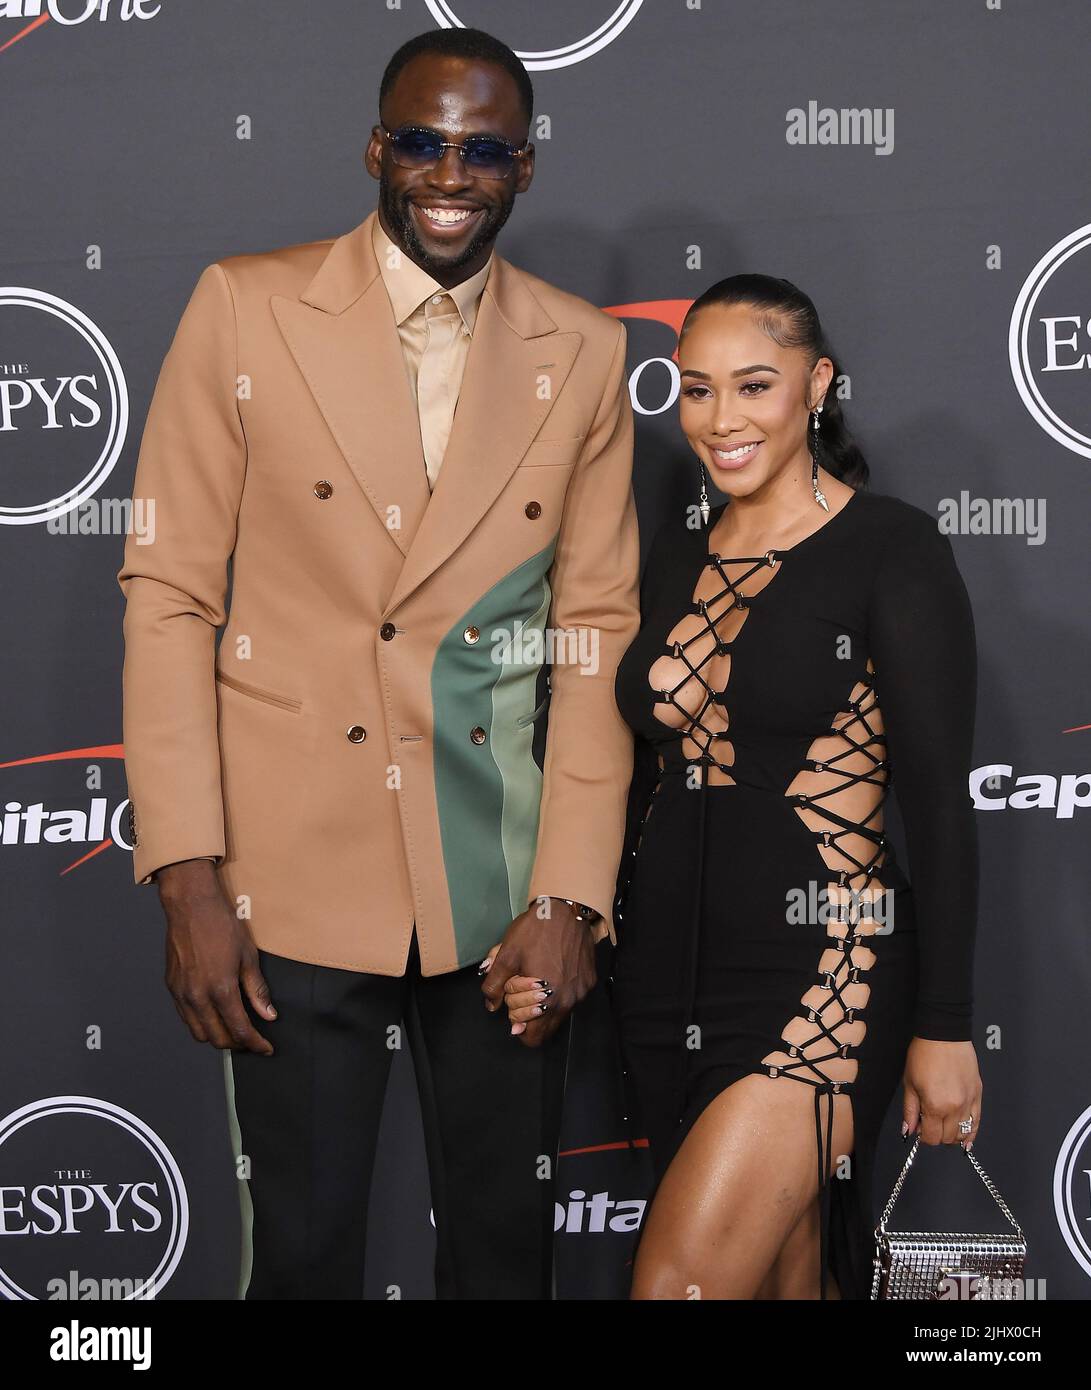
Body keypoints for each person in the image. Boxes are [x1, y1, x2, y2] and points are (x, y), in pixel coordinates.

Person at [116, 27, 640, 1299]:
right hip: (285, 886)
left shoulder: (583, 351)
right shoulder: (242, 304)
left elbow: (595, 635)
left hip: (497, 891)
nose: (448, 173)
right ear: (374, 147)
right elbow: (171, 594)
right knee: (298, 1255)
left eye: (482, 150)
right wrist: (188, 878)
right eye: (421, 141)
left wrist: (570, 894)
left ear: (524, 167)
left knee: (506, 1263)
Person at [603, 274, 981, 1299]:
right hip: (667, 972)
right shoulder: (672, 555)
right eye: (693, 389)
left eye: (753, 385)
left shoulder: (887, 550)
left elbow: (941, 806)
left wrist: (943, 1023)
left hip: (825, 964)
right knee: (786, 1279)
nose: (719, 421)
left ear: (815, 385)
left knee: (678, 1282)